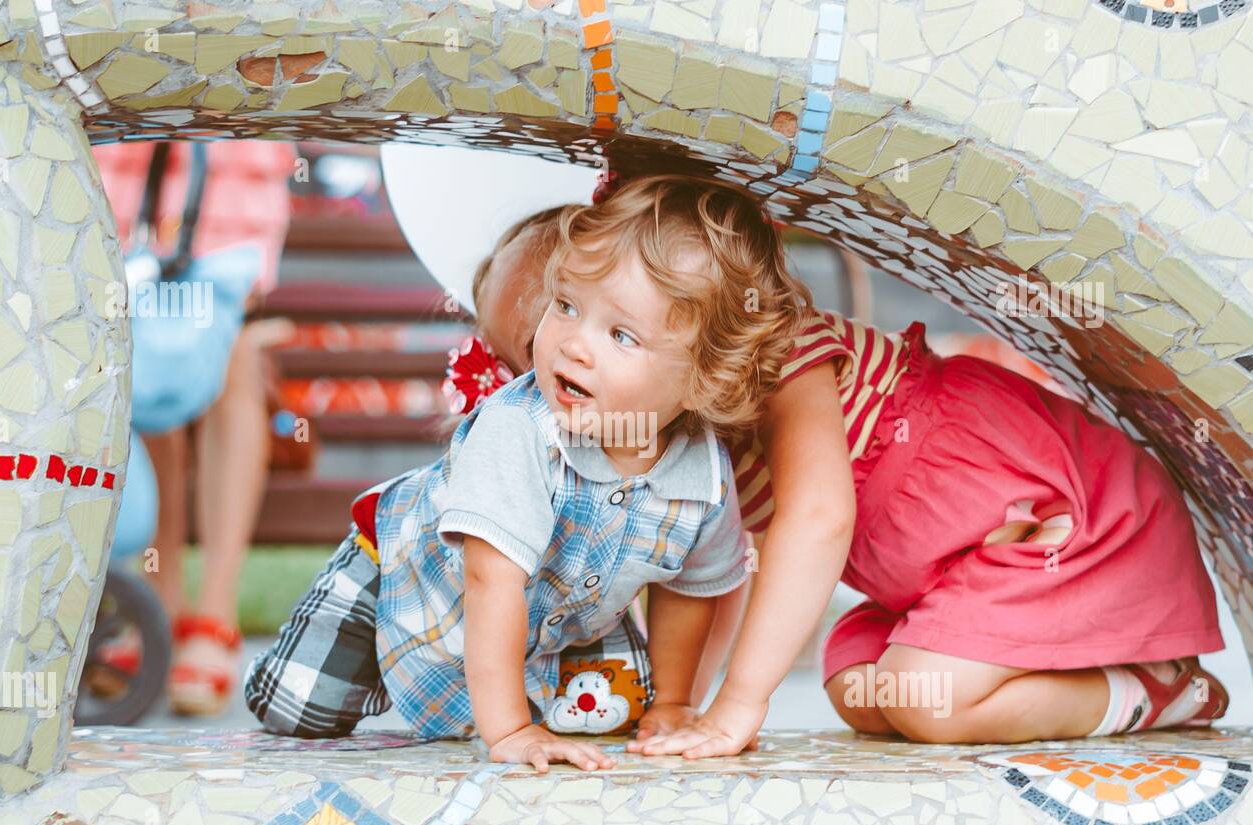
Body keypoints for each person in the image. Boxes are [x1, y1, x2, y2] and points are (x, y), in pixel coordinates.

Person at [464, 173, 1231, 755]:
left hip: (1062, 521)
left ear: (703, 338)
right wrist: (679, 711)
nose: (561, 354)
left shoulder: (783, 355)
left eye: (616, 329)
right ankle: (1057, 677)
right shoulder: (676, 425)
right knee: (860, 686)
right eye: (549, 323)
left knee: (924, 701)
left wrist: (740, 707)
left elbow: (816, 517)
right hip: (947, 569)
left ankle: (1154, 692)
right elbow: (717, 571)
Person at [244, 175, 802, 770]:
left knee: (614, 717)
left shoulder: (702, 476)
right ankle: (356, 665)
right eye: (566, 306)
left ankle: (524, 695)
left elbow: (688, 589)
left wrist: (674, 701)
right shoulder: (520, 429)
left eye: (620, 334)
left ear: (704, 380)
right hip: (403, 577)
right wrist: (510, 731)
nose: (572, 345)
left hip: (557, 623)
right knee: (298, 708)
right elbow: (490, 582)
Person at [93, 141, 298, 715]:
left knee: (230, 344)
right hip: (128, 124)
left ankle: (213, 612)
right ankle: (161, 603)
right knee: (152, 342)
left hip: (226, 135)